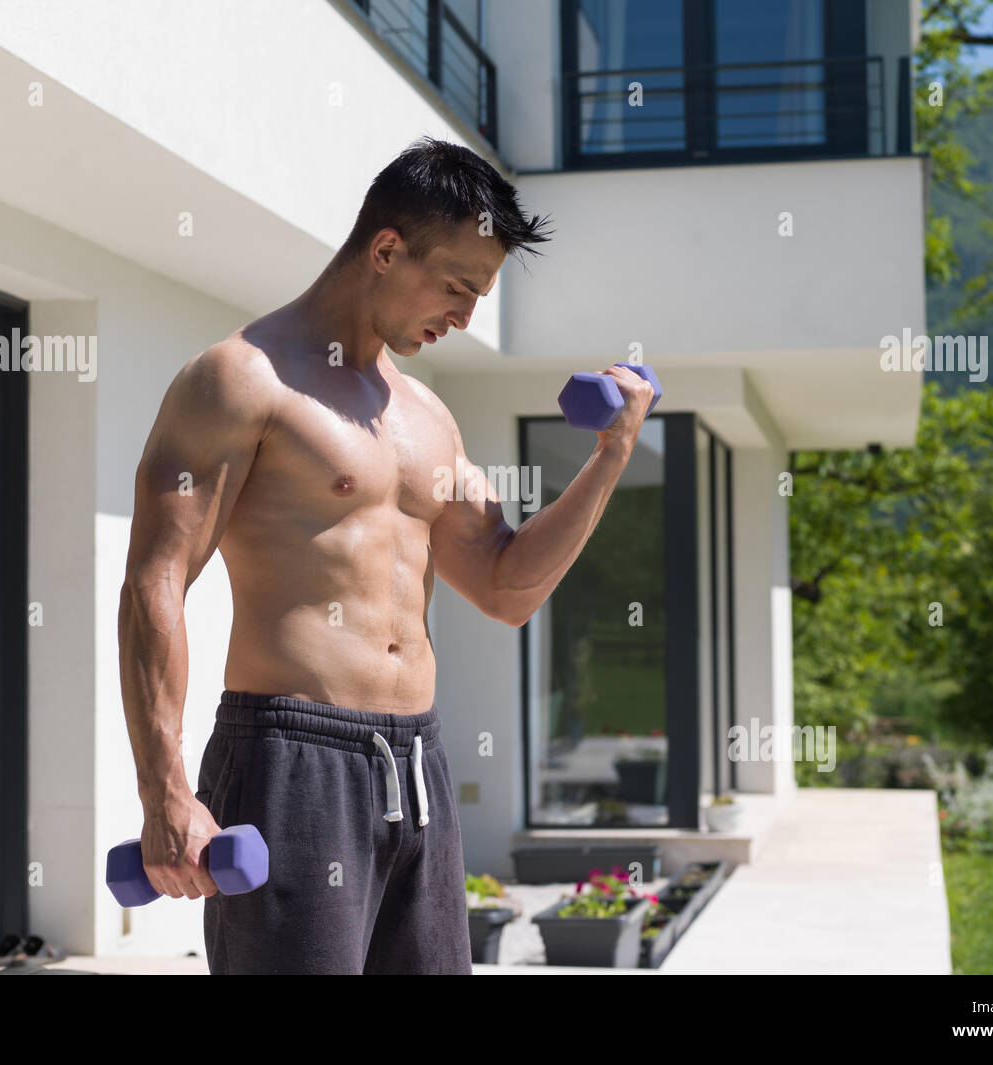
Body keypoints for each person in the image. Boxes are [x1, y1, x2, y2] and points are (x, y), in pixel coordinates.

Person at [118, 136, 656, 974]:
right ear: (384, 249)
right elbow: (155, 582)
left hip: (418, 762)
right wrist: (166, 790)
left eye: (479, 295)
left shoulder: (428, 417)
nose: (466, 316)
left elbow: (507, 585)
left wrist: (610, 457)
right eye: (457, 286)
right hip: (292, 764)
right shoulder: (241, 380)